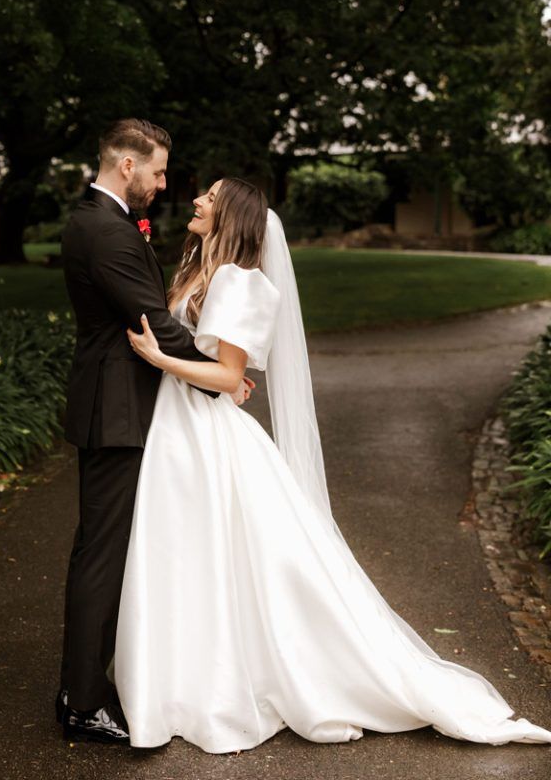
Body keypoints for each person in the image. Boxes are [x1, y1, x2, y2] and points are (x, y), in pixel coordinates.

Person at [115, 177, 551, 753]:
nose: (196, 200)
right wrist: (187, 360)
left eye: (211, 198)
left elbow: (225, 377)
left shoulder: (240, 281)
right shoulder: (200, 269)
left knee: (235, 556)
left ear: (233, 216)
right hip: (179, 427)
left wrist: (159, 357)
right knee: (192, 552)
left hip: (202, 431)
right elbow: (215, 361)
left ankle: (242, 680)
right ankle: (183, 670)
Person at [58, 121, 251, 745]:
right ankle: (82, 702)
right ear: (126, 167)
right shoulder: (105, 231)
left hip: (123, 405)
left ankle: (94, 682)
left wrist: (213, 373)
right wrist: (218, 377)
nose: (165, 184)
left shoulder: (104, 221)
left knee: (111, 551)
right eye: (159, 172)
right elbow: (153, 326)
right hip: (117, 411)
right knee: (101, 557)